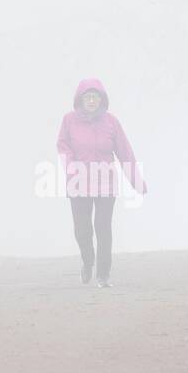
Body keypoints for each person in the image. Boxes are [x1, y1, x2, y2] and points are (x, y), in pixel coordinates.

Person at [56, 78, 147, 287]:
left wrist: (137, 182)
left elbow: (125, 153)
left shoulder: (111, 122)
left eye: (95, 97)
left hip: (106, 185)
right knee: (82, 230)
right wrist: (70, 167)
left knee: (103, 228)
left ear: (101, 100)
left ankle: (103, 275)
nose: (91, 101)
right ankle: (88, 262)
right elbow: (62, 146)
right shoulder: (68, 121)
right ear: (80, 99)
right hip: (78, 183)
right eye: (87, 97)